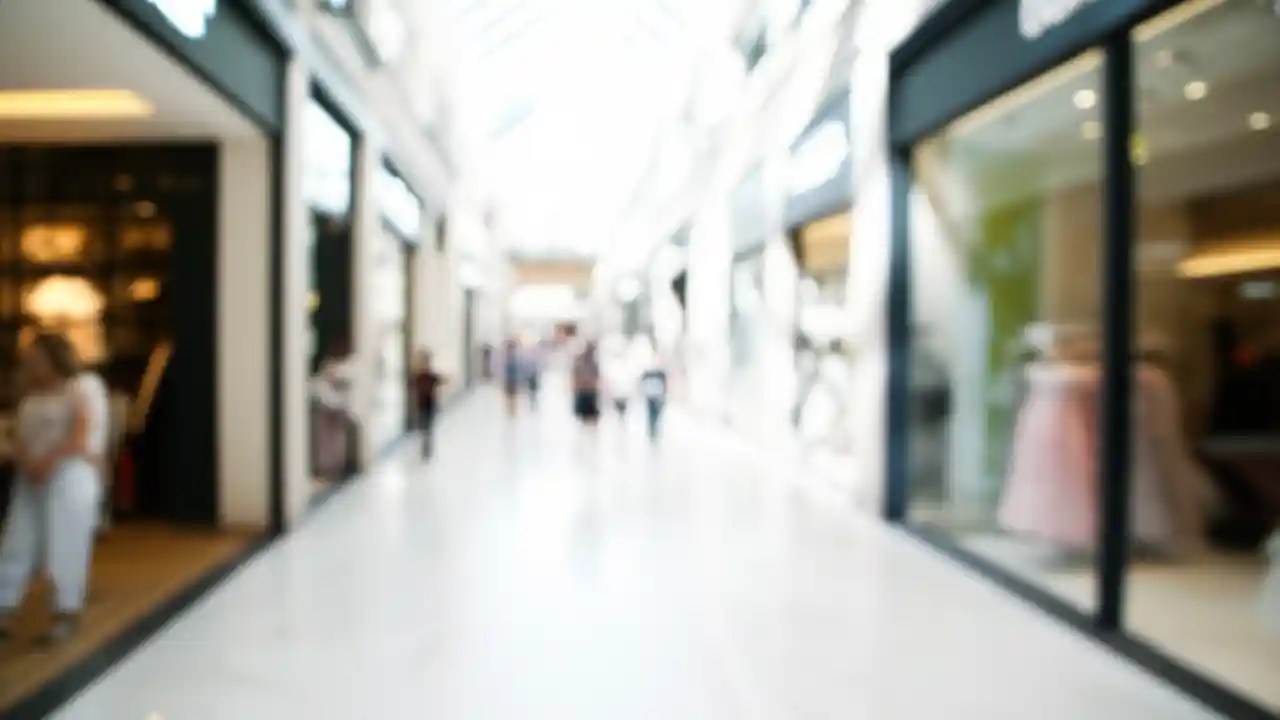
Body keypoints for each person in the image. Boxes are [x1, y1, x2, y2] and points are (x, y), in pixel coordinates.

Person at [0, 333, 102, 644]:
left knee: (66, 541)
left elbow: (81, 433)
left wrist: (50, 460)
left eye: (37, 358)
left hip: (68, 473)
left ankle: (65, 612)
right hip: (30, 474)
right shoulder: (28, 394)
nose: (31, 363)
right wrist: (23, 457)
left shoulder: (77, 390)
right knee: (16, 539)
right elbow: (17, 433)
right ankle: (3, 610)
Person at [412, 350, 446, 460]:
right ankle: (425, 448)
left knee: (428, 428)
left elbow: (442, 380)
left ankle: (427, 450)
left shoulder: (429, 375)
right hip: (421, 405)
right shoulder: (418, 376)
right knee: (423, 427)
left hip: (430, 404)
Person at [572, 342, 602, 425]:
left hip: (590, 393)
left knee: (591, 420)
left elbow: (597, 378)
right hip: (583, 393)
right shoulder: (579, 363)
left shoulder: (594, 364)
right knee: (584, 420)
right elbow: (575, 378)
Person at [640, 358, 669, 442]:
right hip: (650, 396)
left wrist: (664, 393)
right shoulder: (648, 373)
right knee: (651, 415)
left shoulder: (660, 373)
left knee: (656, 415)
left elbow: (665, 384)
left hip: (657, 396)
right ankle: (651, 432)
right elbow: (642, 380)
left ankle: (654, 431)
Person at [502, 339, 522, 416]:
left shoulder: (515, 359)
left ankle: (513, 410)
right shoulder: (506, 358)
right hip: (508, 379)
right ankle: (509, 410)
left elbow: (519, 370)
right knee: (508, 396)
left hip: (514, 379)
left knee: (514, 396)